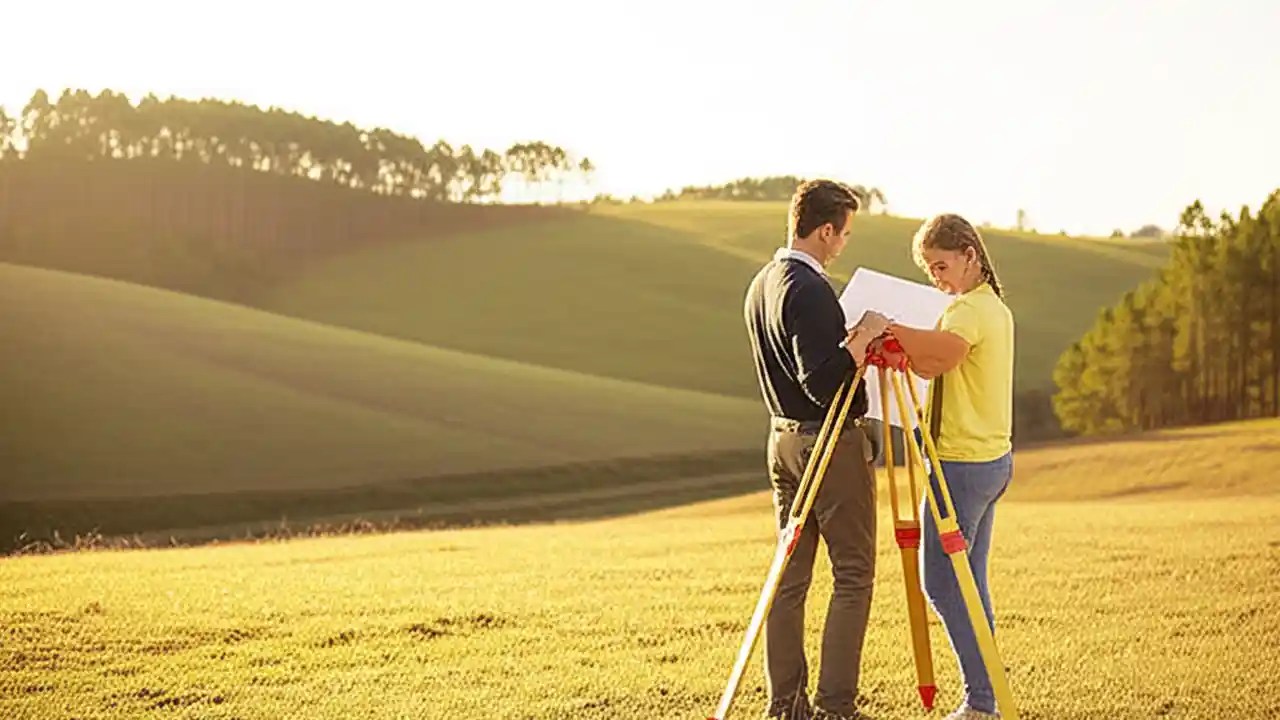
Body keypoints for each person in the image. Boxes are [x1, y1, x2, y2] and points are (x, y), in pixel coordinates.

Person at [742, 179, 889, 720]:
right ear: (825, 230)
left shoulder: (762, 282)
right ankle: (835, 708)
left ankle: (786, 705)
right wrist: (864, 334)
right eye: (844, 232)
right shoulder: (808, 288)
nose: (844, 243)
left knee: (791, 574)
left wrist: (841, 340)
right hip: (825, 442)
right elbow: (822, 381)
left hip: (782, 440)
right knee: (853, 572)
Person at [874, 213, 1015, 720]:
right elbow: (934, 364)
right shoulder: (990, 308)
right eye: (930, 270)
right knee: (970, 586)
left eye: (942, 266)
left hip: (961, 464)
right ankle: (988, 693)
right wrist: (905, 350)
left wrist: (887, 329)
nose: (937, 278)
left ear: (970, 256)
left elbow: (945, 352)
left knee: (940, 580)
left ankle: (981, 700)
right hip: (991, 461)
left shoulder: (968, 312)